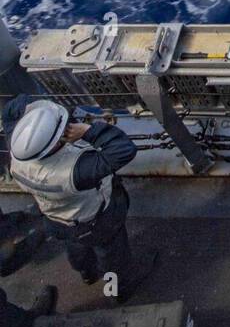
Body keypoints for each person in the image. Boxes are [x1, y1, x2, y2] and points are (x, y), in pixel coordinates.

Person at [2, 97, 157, 303]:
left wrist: (38, 117)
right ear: (57, 142)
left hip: (57, 222)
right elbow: (123, 150)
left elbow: (10, 112)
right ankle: (119, 290)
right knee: (113, 257)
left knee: (76, 248)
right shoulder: (75, 172)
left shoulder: (18, 152)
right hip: (95, 222)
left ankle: (87, 274)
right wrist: (87, 131)